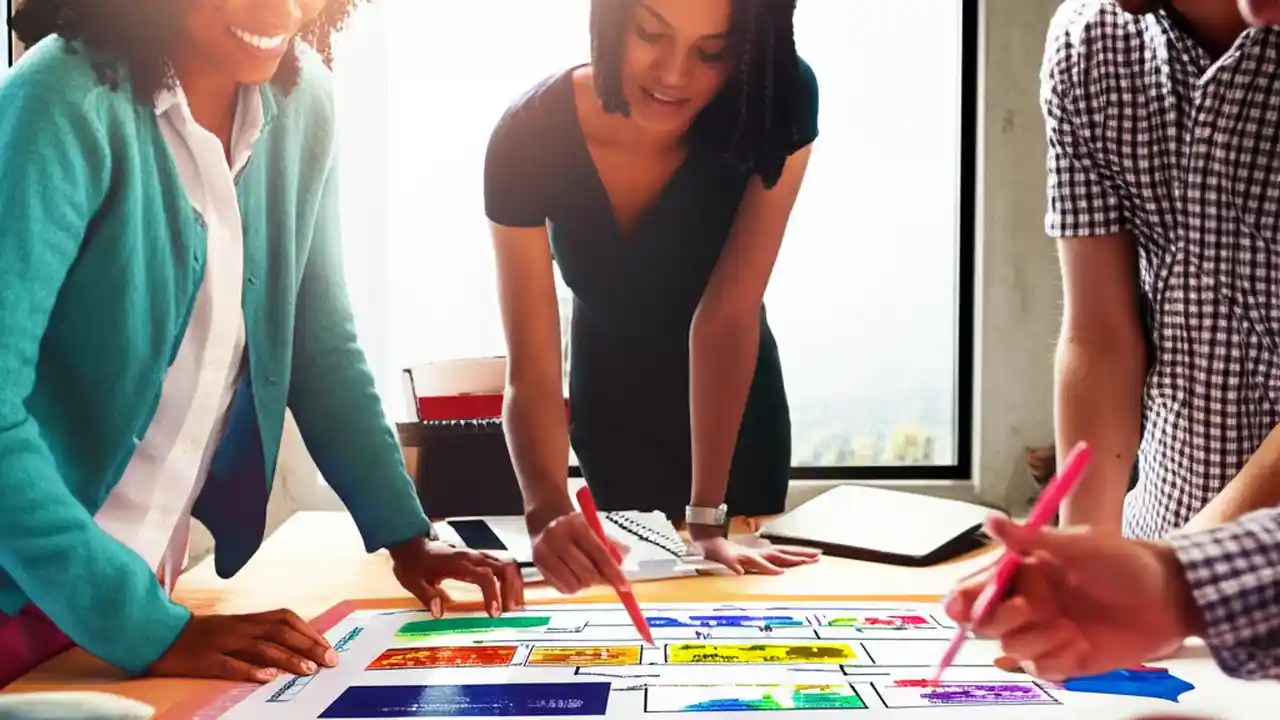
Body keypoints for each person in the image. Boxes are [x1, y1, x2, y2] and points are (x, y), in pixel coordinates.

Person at [0, 0, 522, 689]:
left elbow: (318, 343)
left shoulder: (301, 99)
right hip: (27, 597)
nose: (281, 9)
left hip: (139, 591)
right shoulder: (59, 100)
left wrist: (408, 534)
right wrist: (150, 629)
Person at [484, 0, 822, 594]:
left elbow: (726, 317)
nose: (672, 74)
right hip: (611, 413)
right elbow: (532, 374)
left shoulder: (779, 97)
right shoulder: (528, 134)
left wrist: (707, 516)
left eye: (710, 51)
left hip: (736, 418)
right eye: (650, 34)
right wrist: (547, 510)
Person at [1046, 0, 1280, 539]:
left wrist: (1172, 574)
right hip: (1161, 527)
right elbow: (1099, 338)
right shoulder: (1091, 42)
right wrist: (1089, 563)